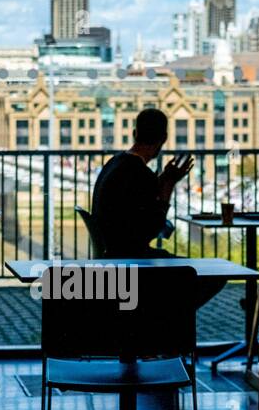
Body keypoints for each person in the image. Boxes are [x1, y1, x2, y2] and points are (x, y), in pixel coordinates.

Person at [90, 107, 225, 308]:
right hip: (134, 261)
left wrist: (160, 181)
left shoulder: (116, 163)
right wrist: (167, 186)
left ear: (135, 134)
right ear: (164, 138)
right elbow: (152, 229)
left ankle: (165, 317)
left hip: (114, 256)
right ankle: (168, 319)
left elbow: (135, 202)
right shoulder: (139, 173)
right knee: (214, 276)